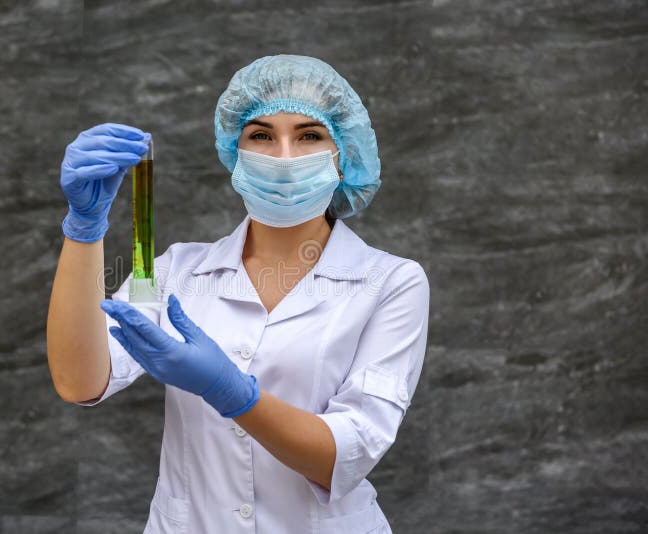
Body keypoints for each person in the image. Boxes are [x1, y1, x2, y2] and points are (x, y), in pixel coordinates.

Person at [46, 54, 430, 534]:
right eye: (261, 136)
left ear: (342, 154)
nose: (285, 155)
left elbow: (343, 456)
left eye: (310, 135)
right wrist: (84, 229)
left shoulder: (391, 282)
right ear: (235, 150)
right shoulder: (174, 271)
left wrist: (229, 392)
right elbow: (79, 381)